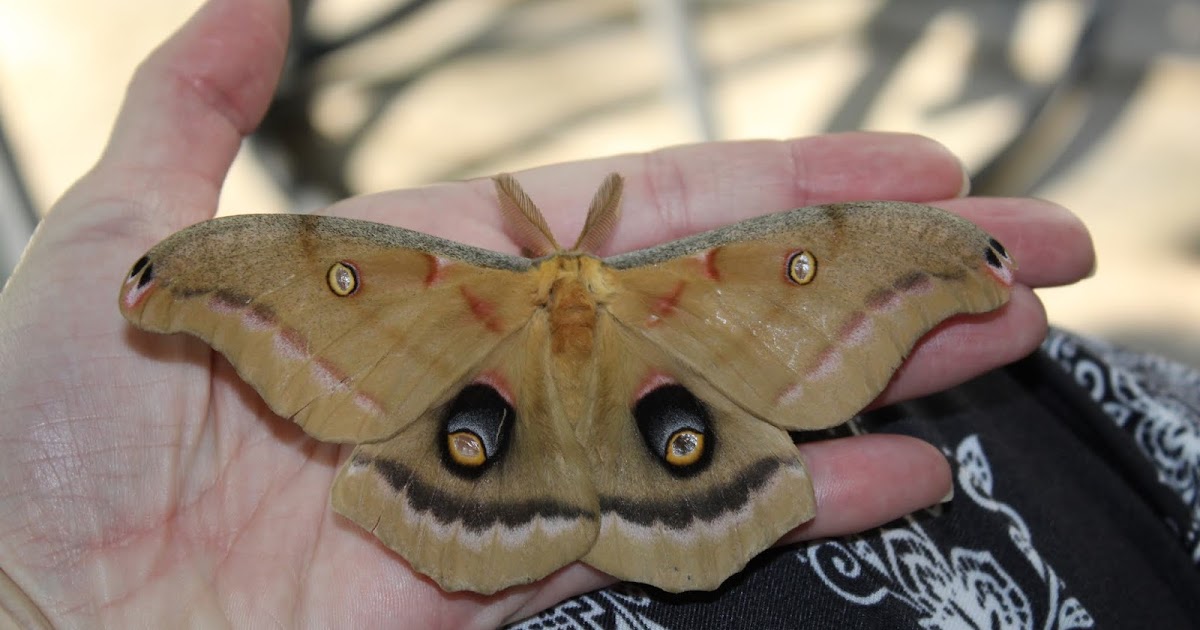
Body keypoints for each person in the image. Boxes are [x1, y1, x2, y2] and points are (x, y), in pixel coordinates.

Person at [10, 0, 1184, 627]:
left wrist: (919, 263)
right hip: (586, 408)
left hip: (523, 411)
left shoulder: (478, 281)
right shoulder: (663, 277)